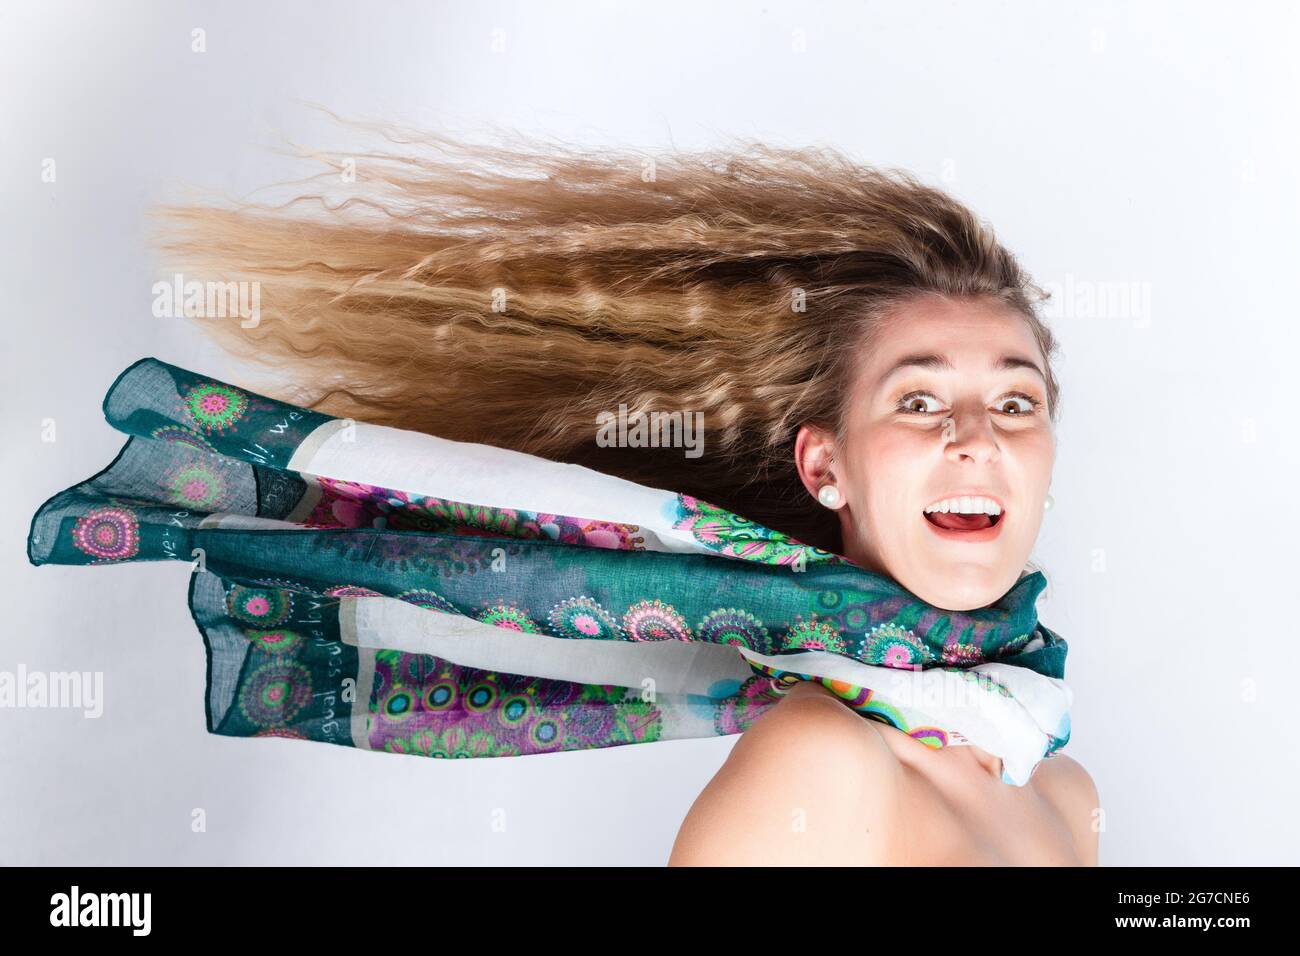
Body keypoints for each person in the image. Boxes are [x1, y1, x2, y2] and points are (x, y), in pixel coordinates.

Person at [153, 117, 1099, 865]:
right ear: (826, 468)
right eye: (919, 399)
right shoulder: (825, 763)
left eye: (1016, 401)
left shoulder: (1059, 787)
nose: (975, 439)